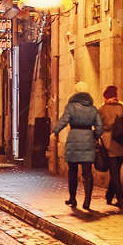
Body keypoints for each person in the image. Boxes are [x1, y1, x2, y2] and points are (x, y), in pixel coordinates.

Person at [53, 82, 104, 210]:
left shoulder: (70, 107)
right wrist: (94, 136)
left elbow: (64, 120)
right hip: (88, 139)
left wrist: (55, 132)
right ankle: (87, 201)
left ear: (76, 92)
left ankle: (72, 198)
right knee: (87, 173)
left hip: (74, 139)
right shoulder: (93, 109)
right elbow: (99, 127)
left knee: (72, 171)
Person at [98, 84, 123, 208]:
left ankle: (120, 197)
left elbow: (97, 126)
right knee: (116, 171)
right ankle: (109, 196)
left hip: (110, 144)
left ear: (106, 97)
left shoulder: (102, 110)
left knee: (114, 173)